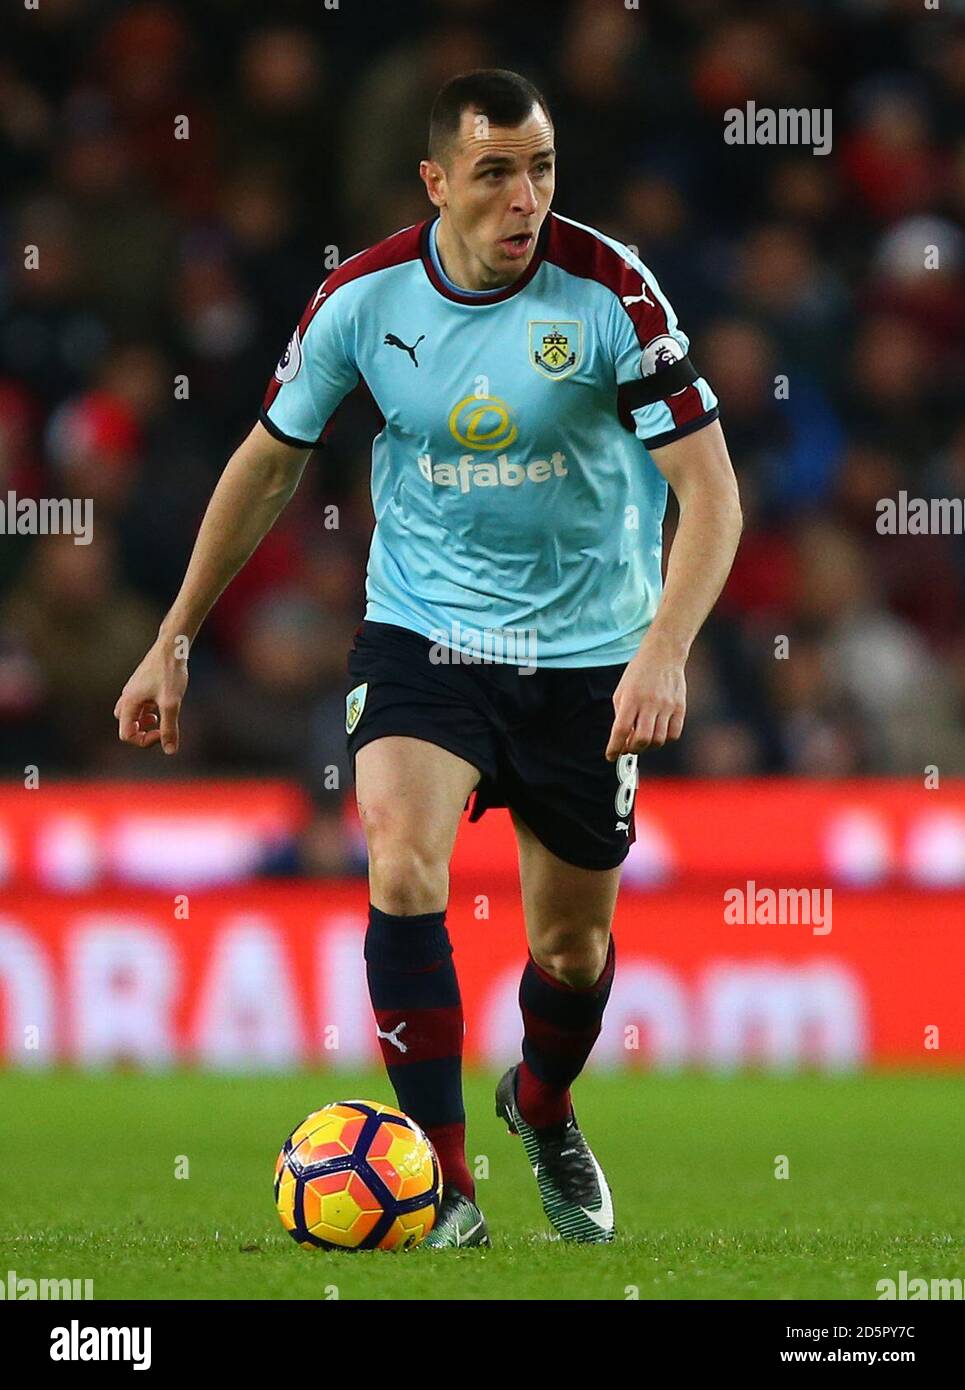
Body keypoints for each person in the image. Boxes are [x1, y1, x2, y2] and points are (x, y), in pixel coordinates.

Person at [115, 68, 742, 1248]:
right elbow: (267, 460)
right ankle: (445, 1188)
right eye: (496, 172)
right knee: (401, 866)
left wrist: (663, 650)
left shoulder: (611, 291)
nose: (524, 198)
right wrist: (173, 635)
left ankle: (541, 1106)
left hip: (586, 656)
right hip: (426, 635)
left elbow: (708, 494)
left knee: (571, 945)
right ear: (436, 179)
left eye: (541, 168)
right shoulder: (360, 300)